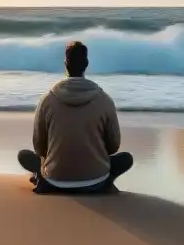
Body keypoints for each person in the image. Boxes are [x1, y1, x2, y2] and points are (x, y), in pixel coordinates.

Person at [17, 41, 133, 194]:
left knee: (24, 156)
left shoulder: (47, 100)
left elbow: (39, 147)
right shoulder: (105, 100)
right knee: (125, 159)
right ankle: (105, 183)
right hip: (96, 181)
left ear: (65, 63)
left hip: (54, 180)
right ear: (86, 64)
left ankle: (42, 178)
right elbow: (113, 147)